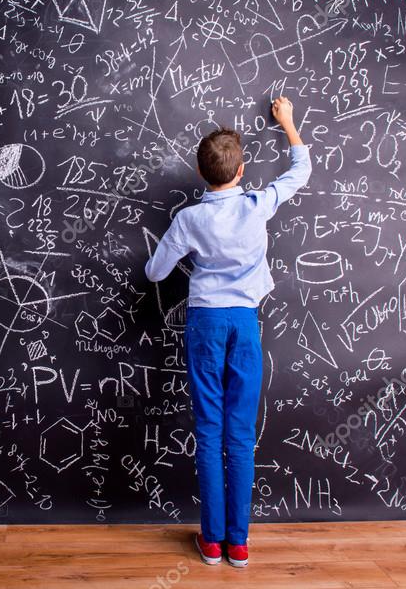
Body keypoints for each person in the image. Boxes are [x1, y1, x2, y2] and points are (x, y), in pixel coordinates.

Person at [143, 96, 312, 567]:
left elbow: (156, 274)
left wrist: (188, 255)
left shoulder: (189, 219)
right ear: (240, 173)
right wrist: (288, 123)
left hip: (204, 324)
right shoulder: (257, 205)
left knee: (209, 429)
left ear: (201, 175)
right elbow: (300, 172)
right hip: (244, 325)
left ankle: (212, 542)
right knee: (239, 435)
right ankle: (238, 543)